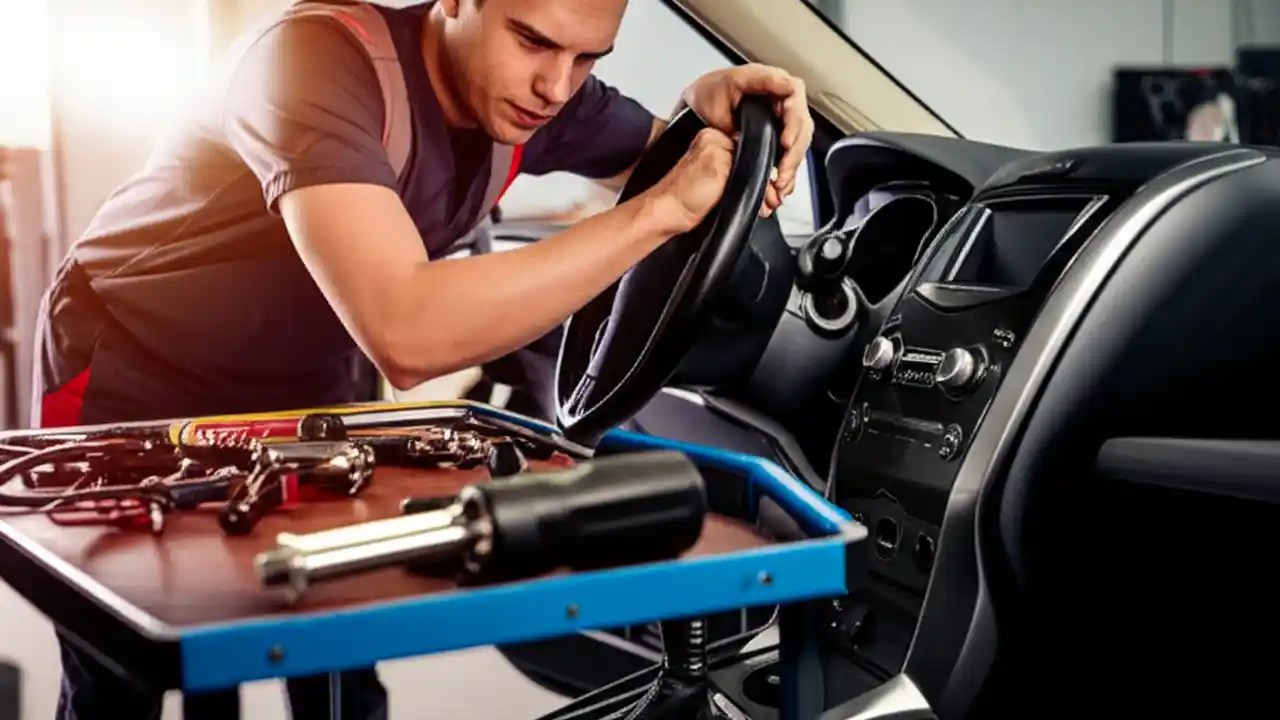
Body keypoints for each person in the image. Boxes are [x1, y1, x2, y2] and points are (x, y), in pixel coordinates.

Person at [33, 0, 814, 717]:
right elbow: (407, 334)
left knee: (337, 643)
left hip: (308, 374)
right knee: (130, 667)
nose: (555, 87)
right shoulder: (312, 62)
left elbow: (671, 153)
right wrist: (656, 214)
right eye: (531, 40)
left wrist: (705, 105)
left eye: (587, 59)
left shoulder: (537, 98)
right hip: (138, 365)